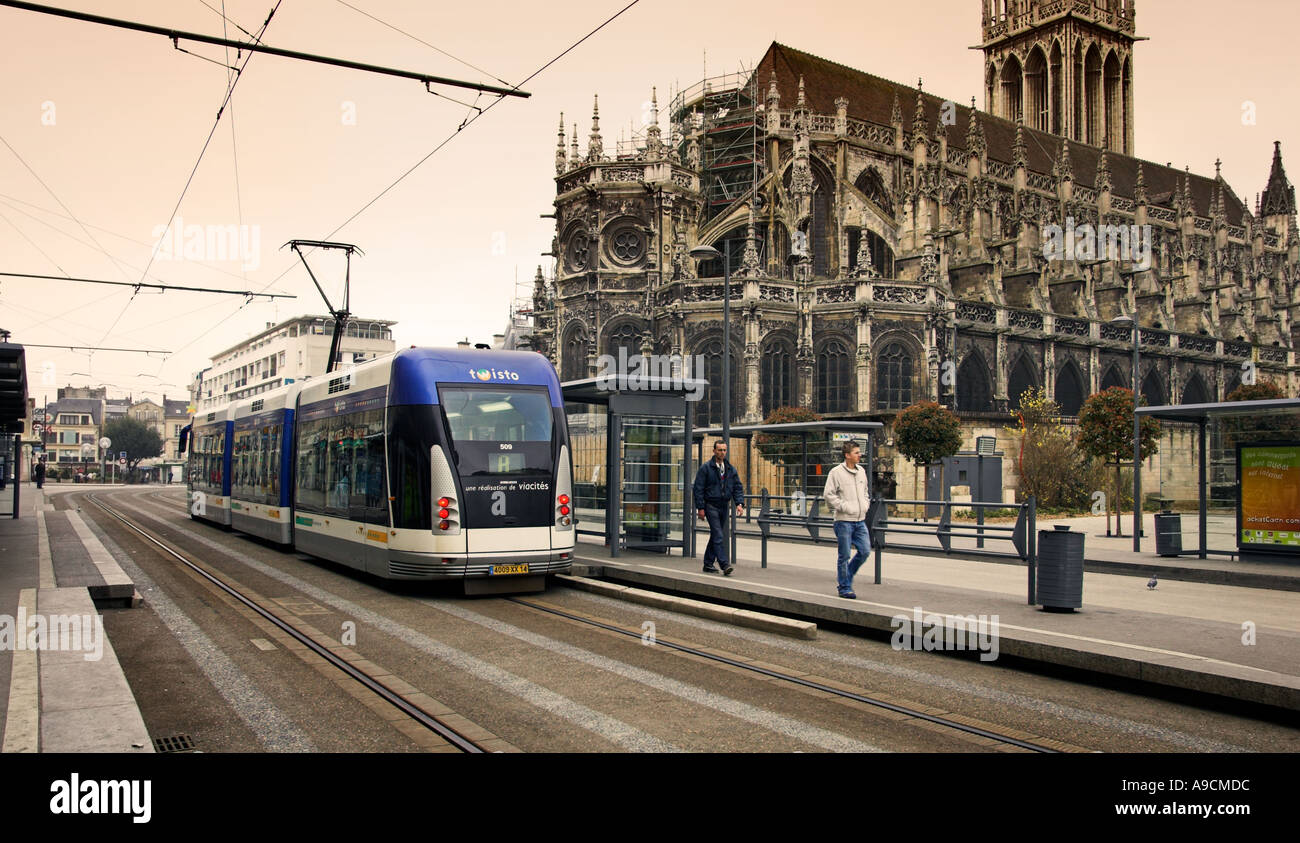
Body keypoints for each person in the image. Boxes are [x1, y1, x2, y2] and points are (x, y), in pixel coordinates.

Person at [822, 440, 872, 599]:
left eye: (859, 452)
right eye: (856, 453)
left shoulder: (861, 472)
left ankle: (846, 576)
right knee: (844, 555)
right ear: (847, 455)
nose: (860, 455)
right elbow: (828, 495)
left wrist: (865, 504)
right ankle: (844, 587)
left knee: (864, 551)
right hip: (843, 521)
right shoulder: (836, 473)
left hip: (860, 520)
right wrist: (844, 506)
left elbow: (865, 492)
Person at [692, 440, 744, 575]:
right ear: (714, 451)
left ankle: (708, 564)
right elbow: (698, 489)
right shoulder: (706, 468)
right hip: (711, 506)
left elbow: (737, 487)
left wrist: (739, 503)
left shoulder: (730, 469)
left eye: (724, 450)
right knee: (719, 535)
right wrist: (700, 508)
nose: (722, 453)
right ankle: (724, 564)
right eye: (720, 450)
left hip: (724, 506)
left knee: (716, 535)